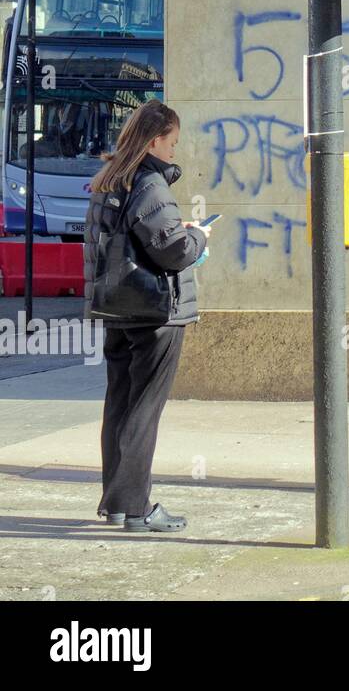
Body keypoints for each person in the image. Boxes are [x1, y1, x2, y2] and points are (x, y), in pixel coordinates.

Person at [83, 100, 211, 532]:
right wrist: (198, 238)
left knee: (119, 404)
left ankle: (117, 503)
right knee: (143, 409)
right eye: (172, 142)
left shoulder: (108, 178)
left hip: (116, 308)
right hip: (156, 312)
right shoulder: (150, 184)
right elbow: (172, 250)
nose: (175, 150)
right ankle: (137, 509)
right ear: (155, 139)